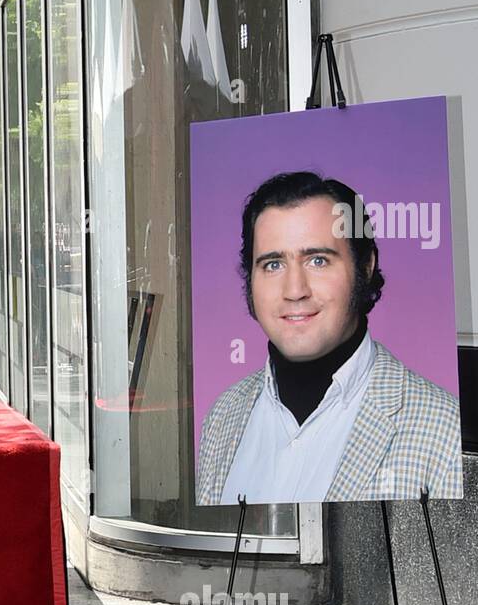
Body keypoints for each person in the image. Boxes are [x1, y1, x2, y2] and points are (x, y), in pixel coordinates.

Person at [197, 171, 462, 503]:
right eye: (273, 265)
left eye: (318, 260)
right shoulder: (222, 418)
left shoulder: (445, 431)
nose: (295, 290)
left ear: (364, 266)